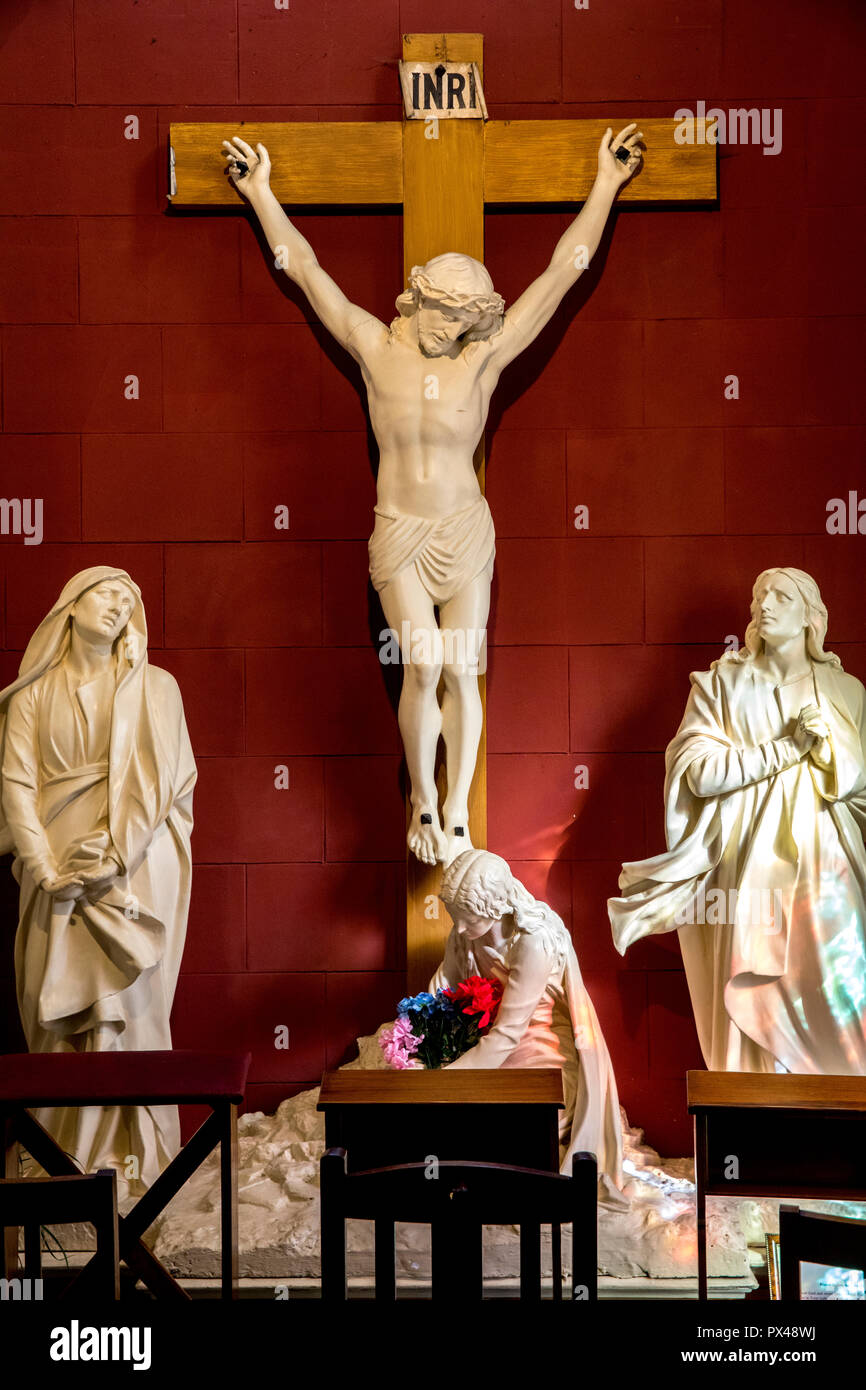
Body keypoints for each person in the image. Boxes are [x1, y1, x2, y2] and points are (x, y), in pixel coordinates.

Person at [221, 125, 644, 866]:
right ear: (419, 300)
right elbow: (307, 270)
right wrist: (260, 193)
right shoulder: (373, 347)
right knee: (420, 665)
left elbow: (560, 274)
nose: (459, 330)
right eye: (449, 315)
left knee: (462, 667)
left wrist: (605, 185)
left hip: (463, 527)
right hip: (401, 530)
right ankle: (421, 795)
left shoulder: (484, 361)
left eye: (469, 320)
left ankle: (455, 812)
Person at [609, 567, 866, 1076]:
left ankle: (843, 1110)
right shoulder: (721, 685)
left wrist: (832, 752)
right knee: (753, 979)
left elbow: (859, 787)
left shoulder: (846, 691)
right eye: (758, 596)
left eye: (780, 596)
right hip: (744, 863)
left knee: (841, 984)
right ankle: (752, 1108)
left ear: (810, 615)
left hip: (826, 866)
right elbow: (700, 776)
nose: (763, 605)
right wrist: (789, 749)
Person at [0, 566, 197, 1193]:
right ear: (70, 606)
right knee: (52, 1007)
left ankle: (136, 1166)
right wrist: (43, 866)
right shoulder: (32, 696)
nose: (119, 606)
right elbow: (17, 787)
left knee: (128, 1004)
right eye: (106, 593)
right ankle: (61, 1158)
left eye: (129, 601)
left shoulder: (155, 687)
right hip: (53, 868)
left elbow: (160, 778)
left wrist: (113, 854)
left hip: (133, 867)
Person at [431, 848, 625, 1204]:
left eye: (468, 918)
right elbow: (444, 991)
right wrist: (421, 1039)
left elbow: (508, 1034)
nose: (458, 928)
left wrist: (442, 1083)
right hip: (486, 1039)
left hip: (540, 1048)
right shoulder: (467, 931)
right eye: (454, 917)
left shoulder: (532, 939)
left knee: (512, 1130)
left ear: (494, 906)